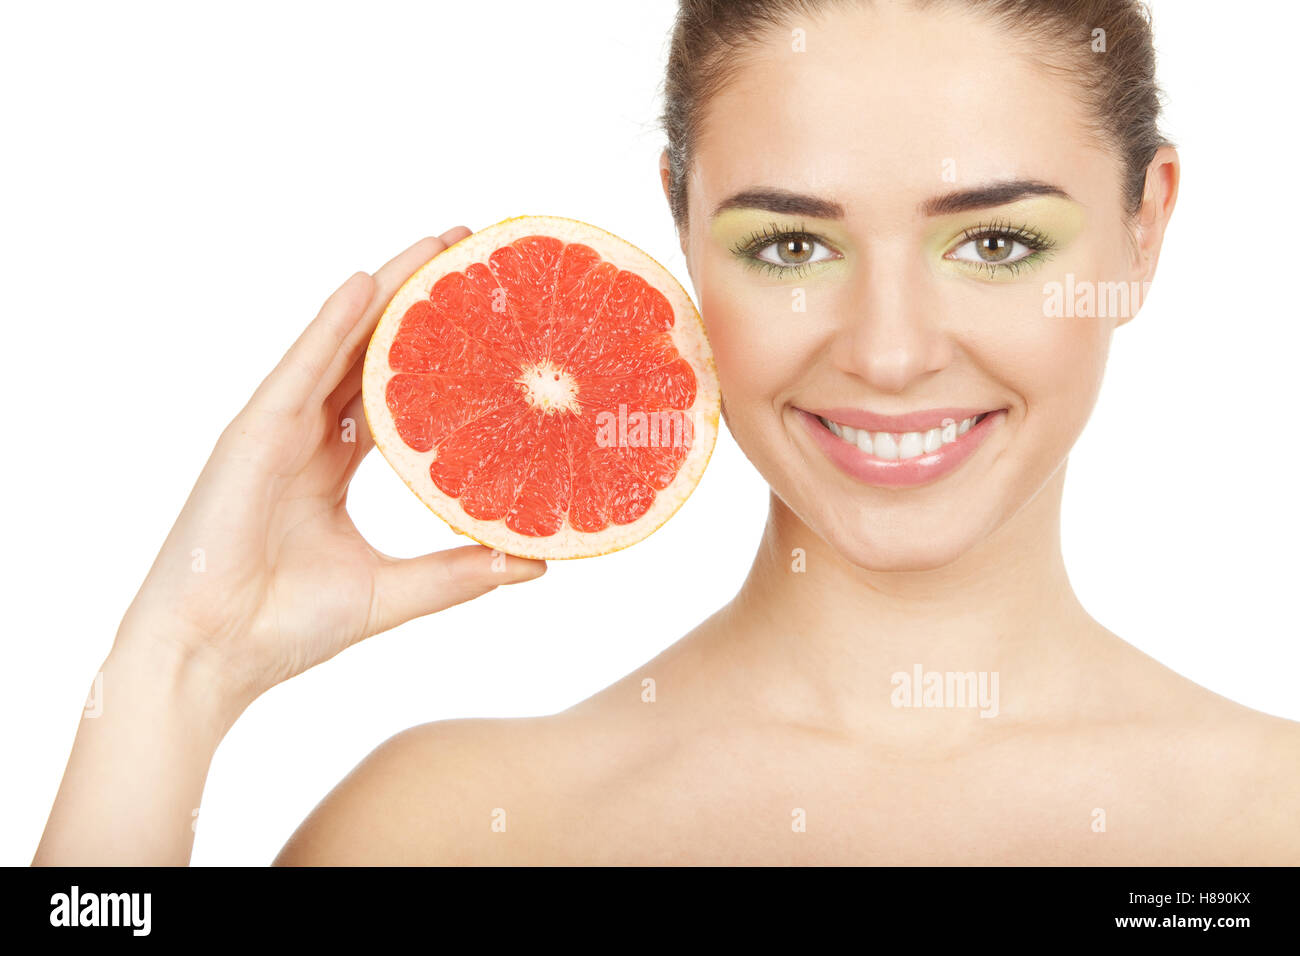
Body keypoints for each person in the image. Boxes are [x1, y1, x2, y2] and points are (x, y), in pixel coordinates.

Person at [35, 0, 1300, 865]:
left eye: (995, 242)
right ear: (683, 229)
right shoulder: (453, 822)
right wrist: (177, 667)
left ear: (1145, 229)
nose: (892, 348)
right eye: (791, 244)